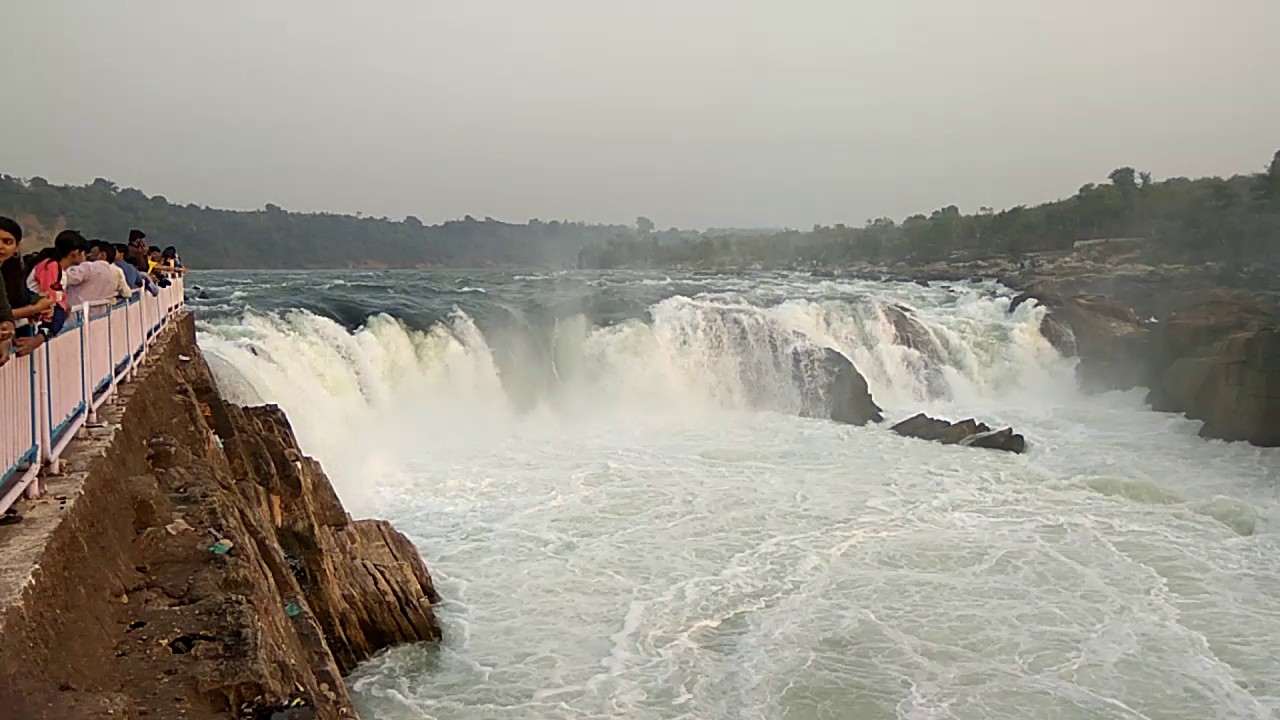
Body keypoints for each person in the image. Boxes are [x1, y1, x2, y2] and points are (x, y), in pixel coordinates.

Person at [16, 230, 88, 356]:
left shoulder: (58, 268)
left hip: (37, 314)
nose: (85, 257)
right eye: (84, 253)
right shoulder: (51, 266)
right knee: (57, 311)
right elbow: (50, 297)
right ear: (75, 253)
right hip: (31, 318)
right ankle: (40, 336)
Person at [66, 240, 131, 308]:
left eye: (92, 252)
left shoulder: (89, 267)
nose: (88, 255)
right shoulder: (115, 271)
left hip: (79, 311)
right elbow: (127, 293)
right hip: (101, 312)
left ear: (102, 255)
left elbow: (66, 278)